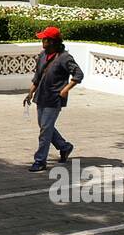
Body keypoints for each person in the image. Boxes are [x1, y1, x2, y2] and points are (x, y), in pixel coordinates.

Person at [23, 25, 83, 172]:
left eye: (44, 39)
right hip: (41, 96)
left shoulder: (64, 57)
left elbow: (78, 75)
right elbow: (37, 77)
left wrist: (65, 89)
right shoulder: (42, 56)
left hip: (54, 98)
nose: (42, 42)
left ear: (52, 41)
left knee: (45, 129)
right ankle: (64, 147)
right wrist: (30, 93)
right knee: (45, 127)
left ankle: (40, 160)